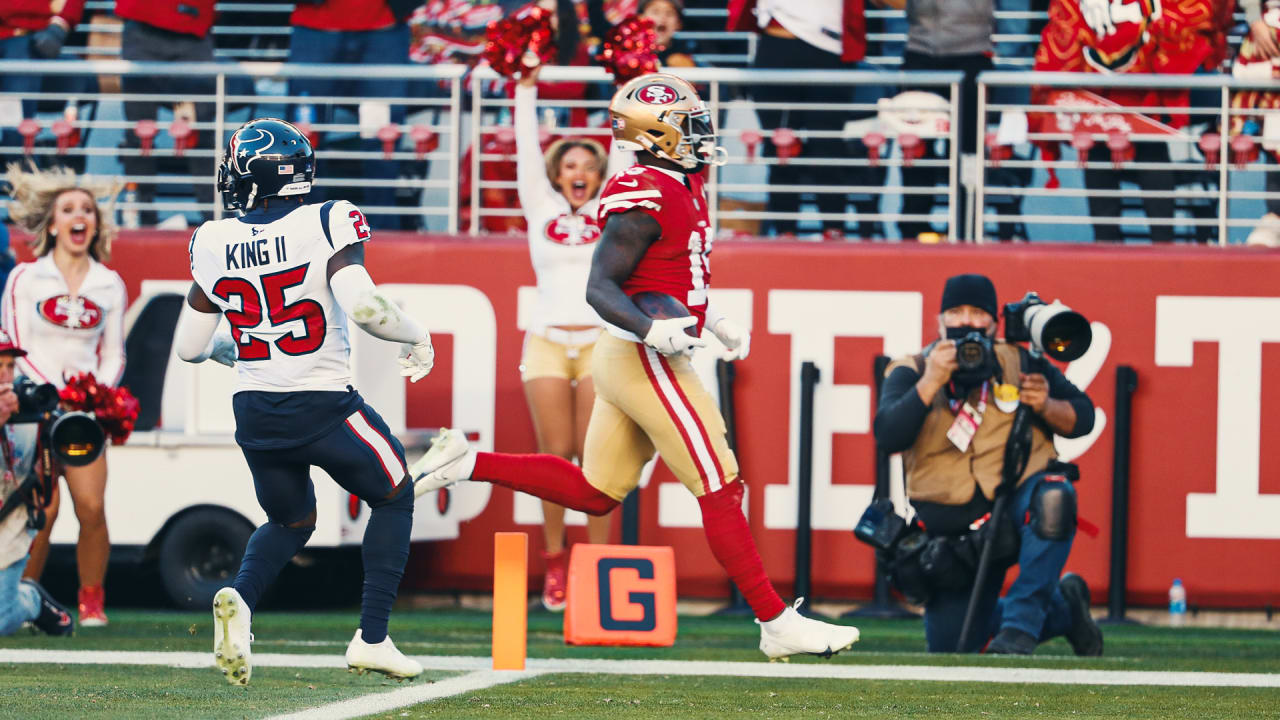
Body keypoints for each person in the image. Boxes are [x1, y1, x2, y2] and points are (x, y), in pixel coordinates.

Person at [412, 74, 861, 661]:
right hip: (645, 355)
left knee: (598, 492)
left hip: (635, 353)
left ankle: (467, 460)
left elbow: (671, 273)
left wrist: (713, 315)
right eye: (690, 124)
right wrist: (654, 329)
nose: (702, 134)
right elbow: (600, 288)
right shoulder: (643, 194)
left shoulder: (679, 180)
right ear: (658, 133)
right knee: (720, 482)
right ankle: (775, 621)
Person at [174, 118, 435, 685]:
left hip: (255, 409)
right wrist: (416, 333)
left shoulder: (211, 240)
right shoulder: (327, 218)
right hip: (321, 403)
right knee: (394, 497)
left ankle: (241, 601)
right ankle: (373, 638)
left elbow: (190, 347)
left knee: (290, 520)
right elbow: (365, 309)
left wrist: (240, 347)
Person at [873, 273, 1104, 655]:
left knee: (1054, 497)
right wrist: (930, 382)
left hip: (1013, 506)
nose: (966, 322)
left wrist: (1047, 405)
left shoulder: (1020, 360)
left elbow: (1084, 417)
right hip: (954, 537)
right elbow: (887, 436)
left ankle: (1019, 628)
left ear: (994, 323)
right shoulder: (912, 367)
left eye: (977, 313)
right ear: (940, 321)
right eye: (956, 312)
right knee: (954, 647)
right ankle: (1066, 610)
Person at [514, 65, 629, 611]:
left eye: (588, 164)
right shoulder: (540, 205)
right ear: (557, 174)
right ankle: (555, 562)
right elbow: (524, 149)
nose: (577, 171)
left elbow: (625, 141)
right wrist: (525, 86)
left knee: (597, 459)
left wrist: (625, 83)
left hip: (602, 340)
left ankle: (598, 570)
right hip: (546, 340)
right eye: (568, 164)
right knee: (554, 456)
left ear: (600, 169)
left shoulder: (616, 200)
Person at [2, 162, 126, 628]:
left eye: (88, 210)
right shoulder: (25, 278)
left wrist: (95, 396)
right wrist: (48, 395)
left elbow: (114, 354)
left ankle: (91, 603)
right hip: (33, 413)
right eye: (69, 209)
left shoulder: (109, 283)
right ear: (52, 223)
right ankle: (19, 601)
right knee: (41, 512)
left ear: (95, 224)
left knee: (91, 508)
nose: (80, 217)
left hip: (83, 416)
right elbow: (13, 346)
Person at [727, 0, 890, 239]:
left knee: (827, 146)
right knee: (780, 146)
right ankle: (785, 231)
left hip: (828, 48)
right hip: (776, 44)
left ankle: (833, 229)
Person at [287, 0, 414, 230]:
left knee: (382, 136)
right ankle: (304, 230)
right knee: (304, 135)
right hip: (315, 28)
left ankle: (384, 230)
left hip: (384, 28)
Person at [114, 0, 218, 225]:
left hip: (194, 26)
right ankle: (141, 216)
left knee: (201, 131)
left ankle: (216, 217)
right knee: (139, 131)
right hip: (142, 24)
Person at [0, 328, 75, 638]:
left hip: (12, 514)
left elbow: (62, 451)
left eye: (9, 366)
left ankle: (31, 600)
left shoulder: (30, 402)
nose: (5, 375)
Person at [0, 0, 83, 168]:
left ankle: (13, 167)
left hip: (35, 43)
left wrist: (58, 26)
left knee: (19, 76)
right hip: (15, 43)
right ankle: (14, 164)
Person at [639, 0, 695, 68]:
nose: (662, 18)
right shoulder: (628, 55)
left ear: (679, 23)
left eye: (669, 13)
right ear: (640, 18)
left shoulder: (686, 57)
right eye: (655, 12)